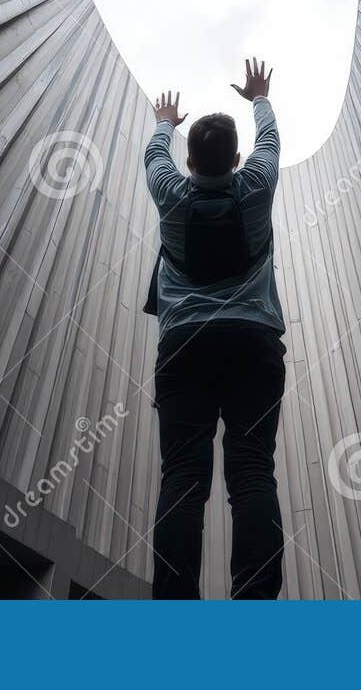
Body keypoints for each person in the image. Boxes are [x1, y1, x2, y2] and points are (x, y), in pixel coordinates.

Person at [141, 57, 285, 599]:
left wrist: (164, 120)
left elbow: (155, 155)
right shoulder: (256, 187)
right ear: (238, 159)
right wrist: (259, 98)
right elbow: (270, 141)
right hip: (253, 343)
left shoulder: (170, 194)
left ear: (189, 164)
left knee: (182, 478)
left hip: (184, 349)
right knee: (251, 473)